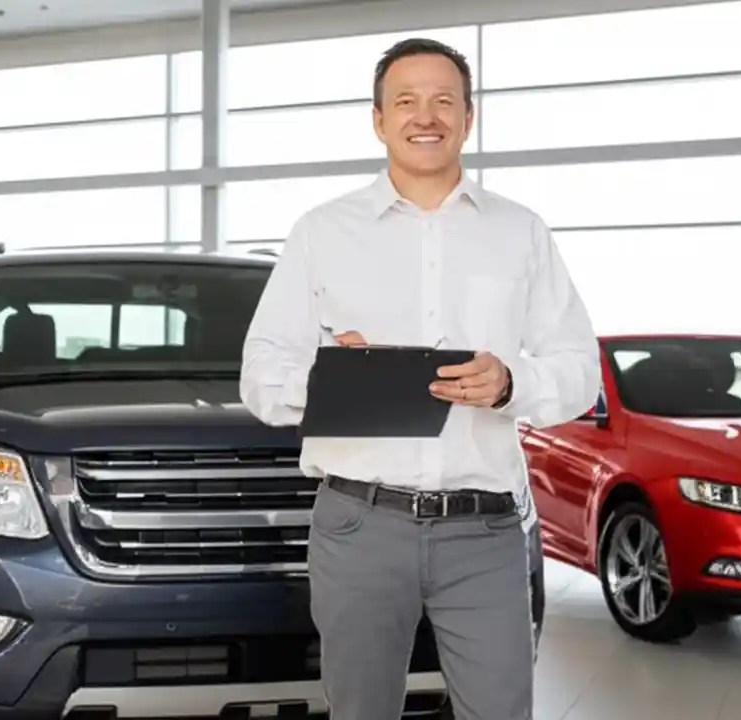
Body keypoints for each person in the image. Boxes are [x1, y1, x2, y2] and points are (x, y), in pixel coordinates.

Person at [239, 37, 600, 720]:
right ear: (379, 120)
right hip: (359, 526)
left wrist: (510, 383)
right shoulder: (322, 232)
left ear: (469, 117)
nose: (425, 116)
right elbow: (259, 375)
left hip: (485, 531)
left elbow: (580, 371)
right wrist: (332, 379)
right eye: (406, 101)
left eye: (443, 101)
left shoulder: (520, 232)